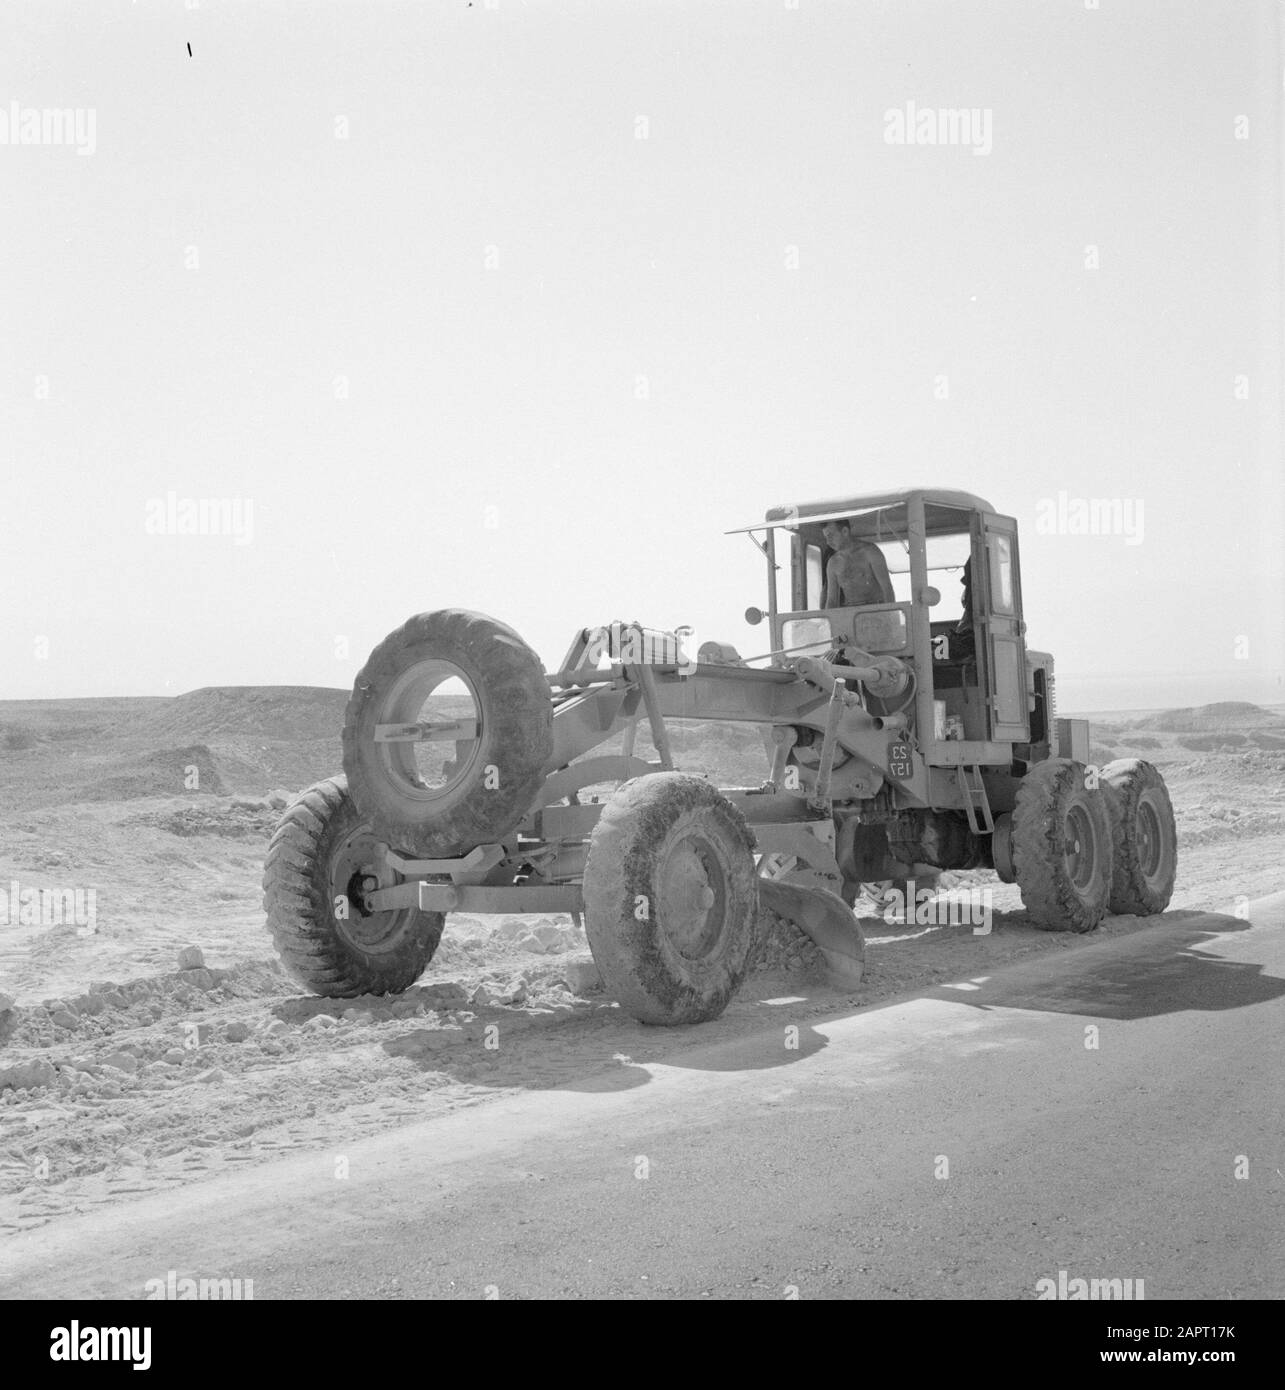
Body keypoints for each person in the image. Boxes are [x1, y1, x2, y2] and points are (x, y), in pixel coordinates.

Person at [821, 519, 895, 608]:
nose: (828, 542)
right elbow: (832, 600)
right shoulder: (833, 563)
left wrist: (890, 615)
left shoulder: (870, 552)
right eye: (826, 538)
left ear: (845, 531)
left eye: (831, 536)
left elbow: (887, 589)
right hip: (851, 615)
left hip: (877, 611)